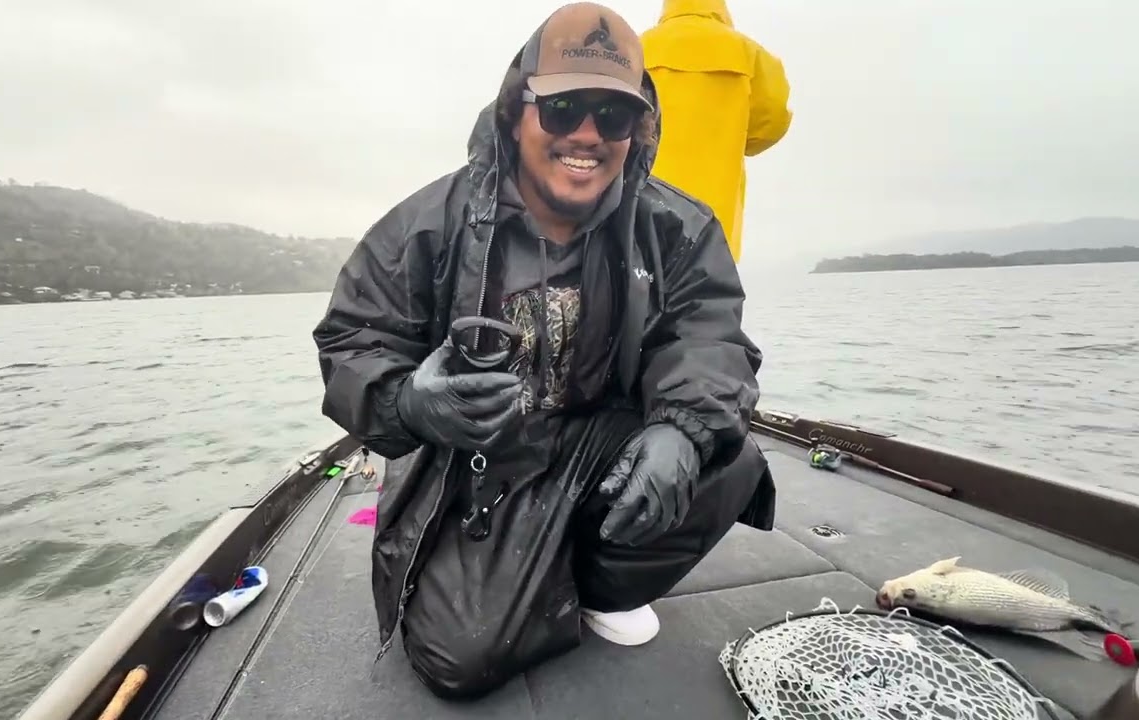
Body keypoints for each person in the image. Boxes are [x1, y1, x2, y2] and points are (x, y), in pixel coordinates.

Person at [312, 1, 776, 701]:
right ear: (515, 111)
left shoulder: (678, 226)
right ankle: (527, 574)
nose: (586, 135)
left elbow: (709, 336)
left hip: (600, 438)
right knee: (458, 661)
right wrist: (408, 401)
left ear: (637, 128)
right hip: (474, 464)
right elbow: (350, 340)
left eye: (612, 115)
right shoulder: (425, 225)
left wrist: (679, 429)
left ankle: (592, 582)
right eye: (561, 109)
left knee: (729, 458)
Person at [640, 0, 792, 262]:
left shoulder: (636, 50)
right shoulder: (750, 55)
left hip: (641, 223)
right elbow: (769, 128)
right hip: (714, 237)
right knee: (710, 294)